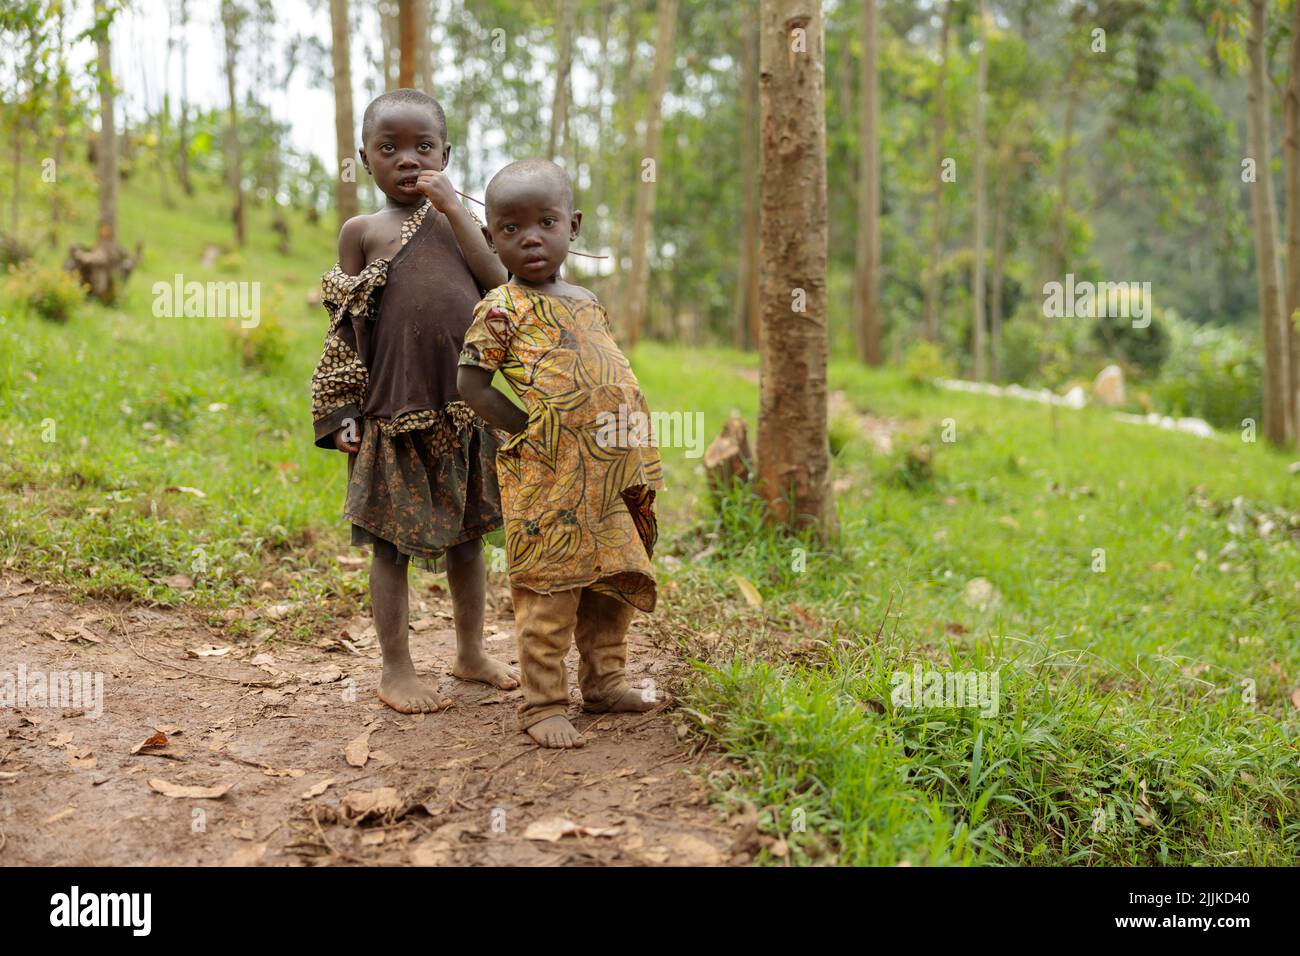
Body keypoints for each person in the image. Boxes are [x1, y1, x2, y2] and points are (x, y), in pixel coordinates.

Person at [310, 89, 518, 714]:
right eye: (389, 147)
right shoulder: (362, 232)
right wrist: (340, 412)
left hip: (462, 407)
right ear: (364, 158)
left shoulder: (462, 225)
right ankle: (395, 667)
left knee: (470, 537)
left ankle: (470, 650)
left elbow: (498, 282)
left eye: (423, 147)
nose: (407, 159)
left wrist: (456, 211)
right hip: (389, 411)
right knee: (388, 544)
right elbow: (344, 329)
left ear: (447, 154)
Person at [457, 159, 665, 748]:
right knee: (549, 591)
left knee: (609, 586)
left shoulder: (587, 299)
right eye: (510, 227)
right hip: (548, 480)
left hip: (612, 477)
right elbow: (471, 386)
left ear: (572, 226)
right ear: (492, 237)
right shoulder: (500, 306)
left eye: (545, 222)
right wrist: (528, 431)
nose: (530, 237)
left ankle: (606, 683)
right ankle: (543, 703)